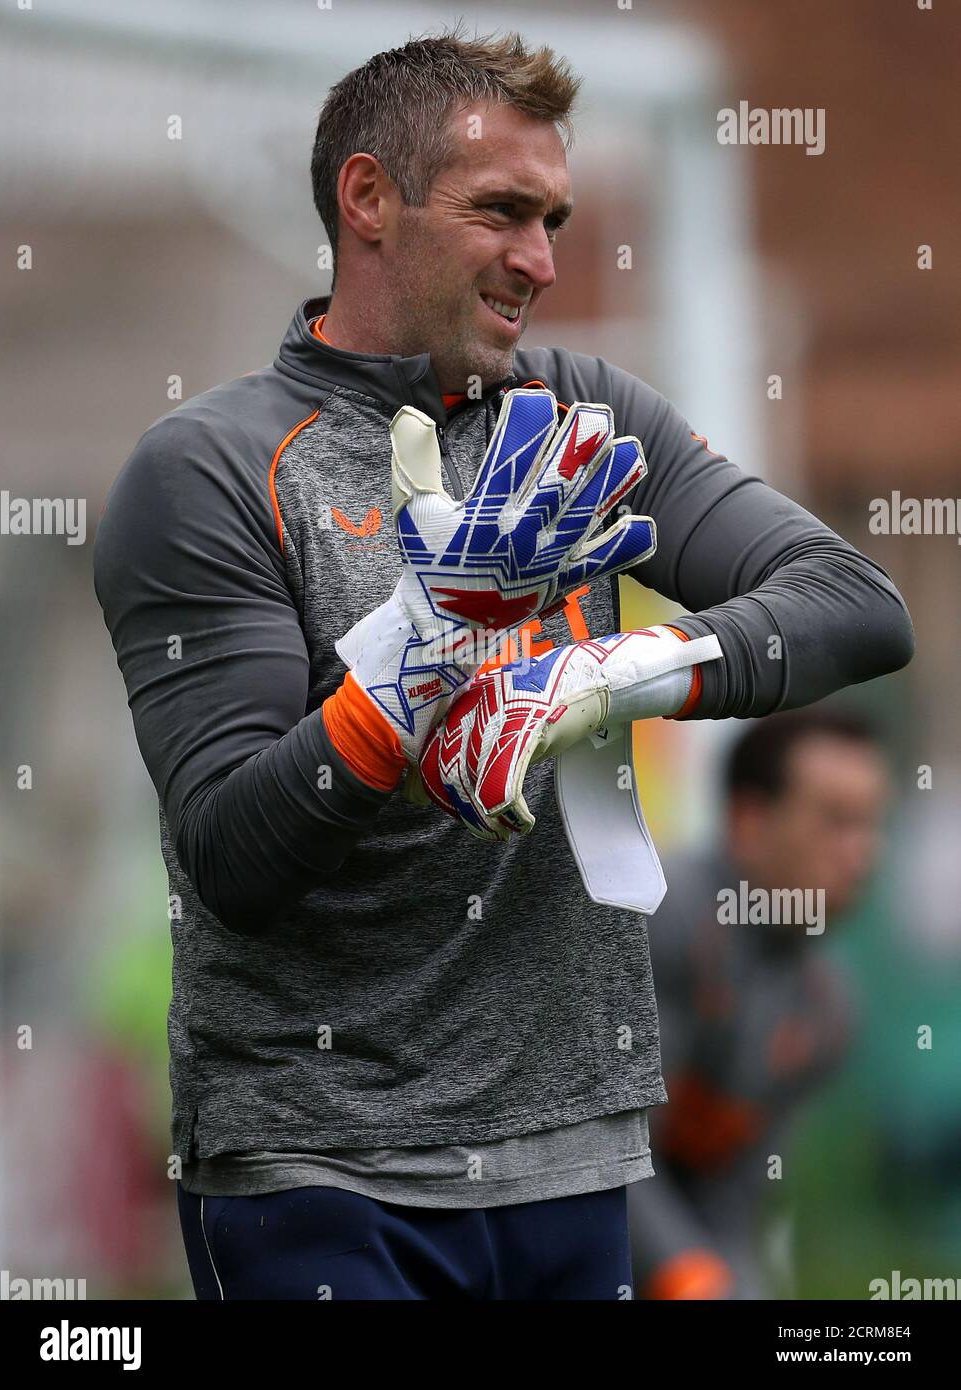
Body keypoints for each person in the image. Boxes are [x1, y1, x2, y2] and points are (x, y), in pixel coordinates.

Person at [93, 26, 913, 1300]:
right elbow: (232, 854)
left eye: (555, 218)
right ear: (367, 199)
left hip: (575, 1161)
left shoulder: (583, 413)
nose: (540, 259)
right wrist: (421, 657)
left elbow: (856, 605)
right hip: (324, 1167)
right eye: (501, 213)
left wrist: (603, 677)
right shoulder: (204, 467)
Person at [628, 710, 890, 1299]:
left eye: (871, 824)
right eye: (836, 822)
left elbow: (731, 1207)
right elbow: (601, 1156)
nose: (863, 854)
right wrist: (693, 1278)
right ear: (748, 821)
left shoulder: (827, 1009)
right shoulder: (661, 921)